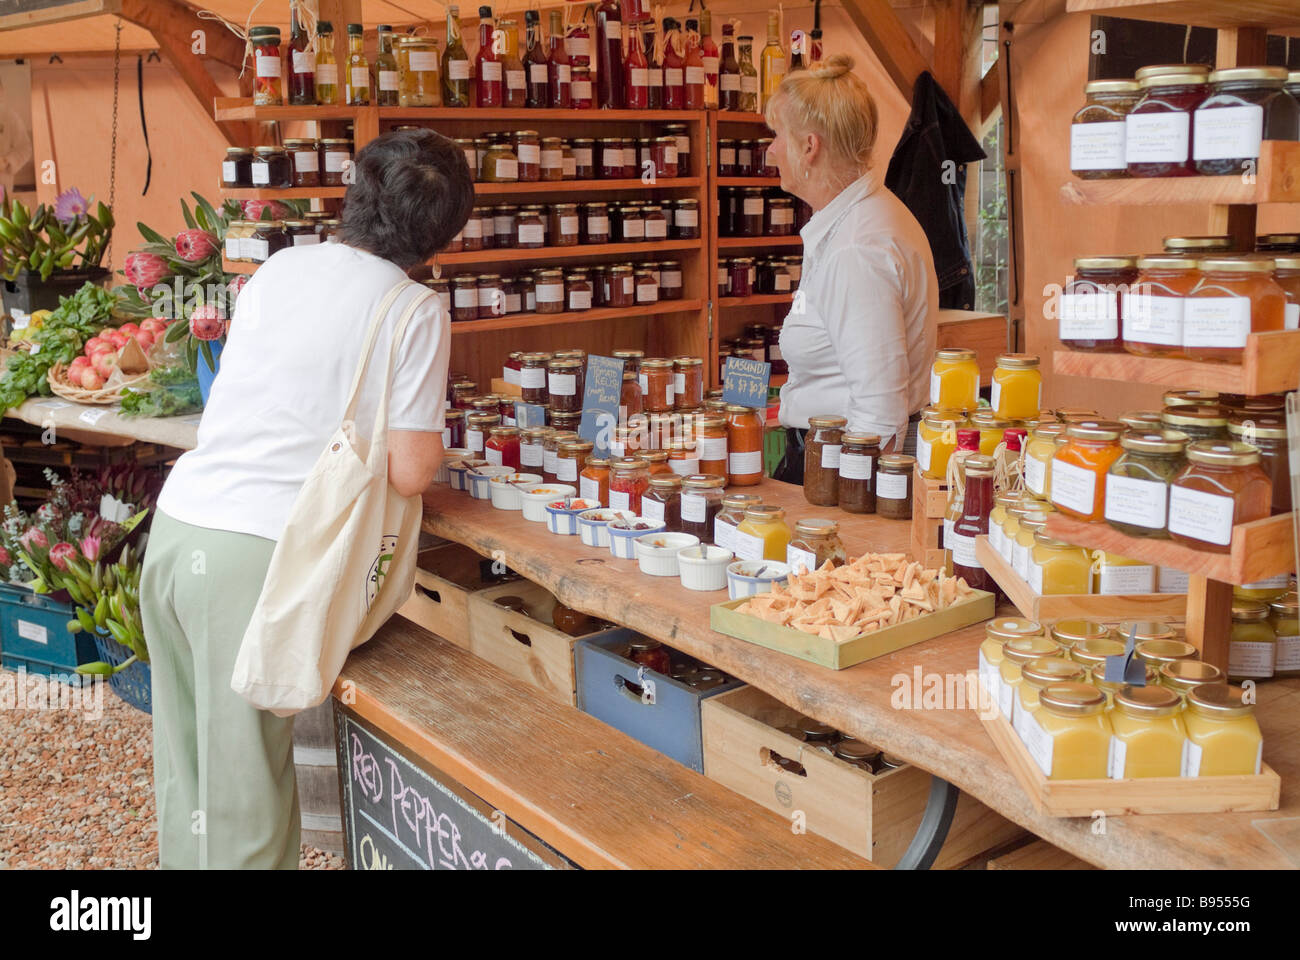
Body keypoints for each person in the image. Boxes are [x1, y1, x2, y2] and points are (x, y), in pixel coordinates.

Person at [139, 129, 474, 869]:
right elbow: (413, 469)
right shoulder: (411, 309)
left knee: (193, 784)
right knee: (249, 806)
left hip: (177, 529)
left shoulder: (280, 270)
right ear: (441, 234)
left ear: (353, 198)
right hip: (255, 561)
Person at [764, 55, 938, 483]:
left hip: (838, 476)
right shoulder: (856, 221)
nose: (770, 150)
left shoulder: (857, 249)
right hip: (828, 462)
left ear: (810, 146)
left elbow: (880, 417)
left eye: (777, 135)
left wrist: (851, 512)